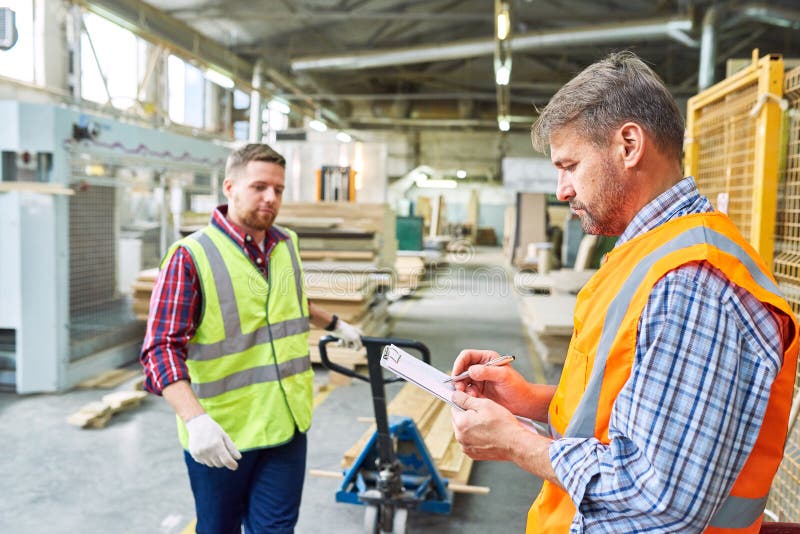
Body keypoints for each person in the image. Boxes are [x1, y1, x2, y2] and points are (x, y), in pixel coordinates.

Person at [450, 51, 799, 533]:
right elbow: (634, 406)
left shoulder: (691, 281)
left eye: (570, 165)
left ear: (629, 145)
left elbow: (657, 494)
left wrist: (517, 443)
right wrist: (532, 401)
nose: (562, 190)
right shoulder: (653, 255)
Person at [140, 143, 363, 534]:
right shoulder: (191, 256)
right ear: (230, 186)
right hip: (223, 435)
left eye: (278, 189)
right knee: (219, 529)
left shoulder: (285, 244)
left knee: (276, 530)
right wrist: (196, 421)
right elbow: (160, 349)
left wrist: (336, 325)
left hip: (286, 424)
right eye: (259, 187)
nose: (270, 198)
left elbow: (291, 300)